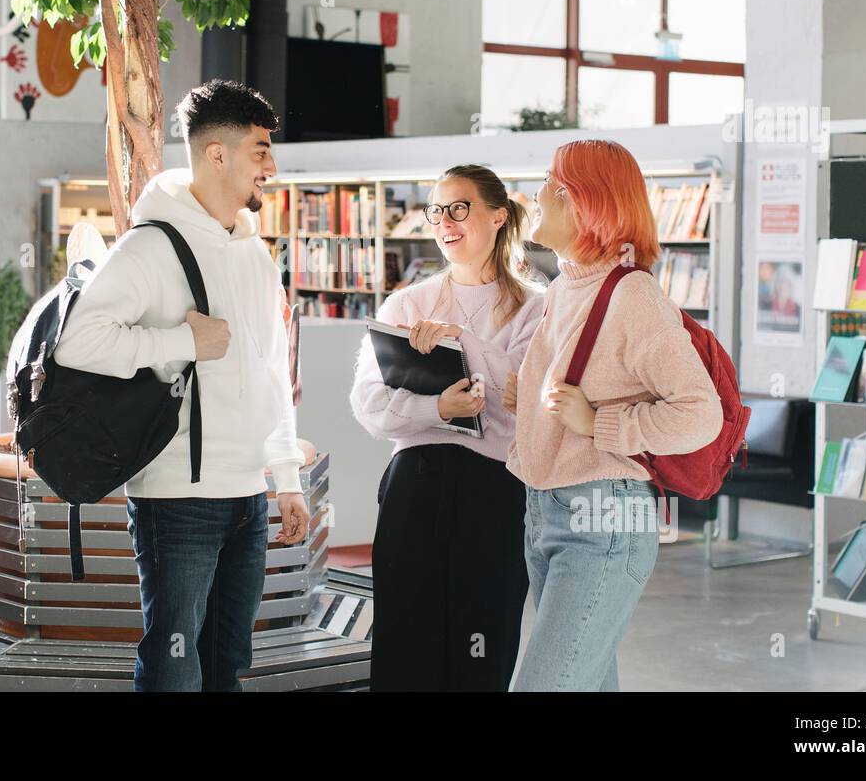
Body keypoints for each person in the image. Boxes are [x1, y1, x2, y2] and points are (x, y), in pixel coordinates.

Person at [53, 79, 310, 692]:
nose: (271, 165)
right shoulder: (150, 247)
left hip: (247, 497)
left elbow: (273, 373)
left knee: (227, 665)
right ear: (216, 154)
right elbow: (78, 342)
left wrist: (287, 481)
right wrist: (183, 343)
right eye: (259, 149)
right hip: (178, 500)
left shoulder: (254, 254)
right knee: (174, 667)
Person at [505, 139, 723, 692]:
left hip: (602, 519)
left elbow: (701, 414)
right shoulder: (566, 287)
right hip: (546, 510)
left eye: (551, 186)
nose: (537, 196)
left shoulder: (632, 296)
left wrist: (601, 424)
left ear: (584, 201)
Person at [350, 164, 545, 691]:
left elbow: (526, 402)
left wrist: (464, 342)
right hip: (415, 481)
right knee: (404, 633)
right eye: (437, 210)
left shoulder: (536, 307)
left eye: (460, 207)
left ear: (499, 216)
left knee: (485, 633)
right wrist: (437, 410)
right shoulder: (408, 303)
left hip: (496, 490)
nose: (445, 221)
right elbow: (369, 404)